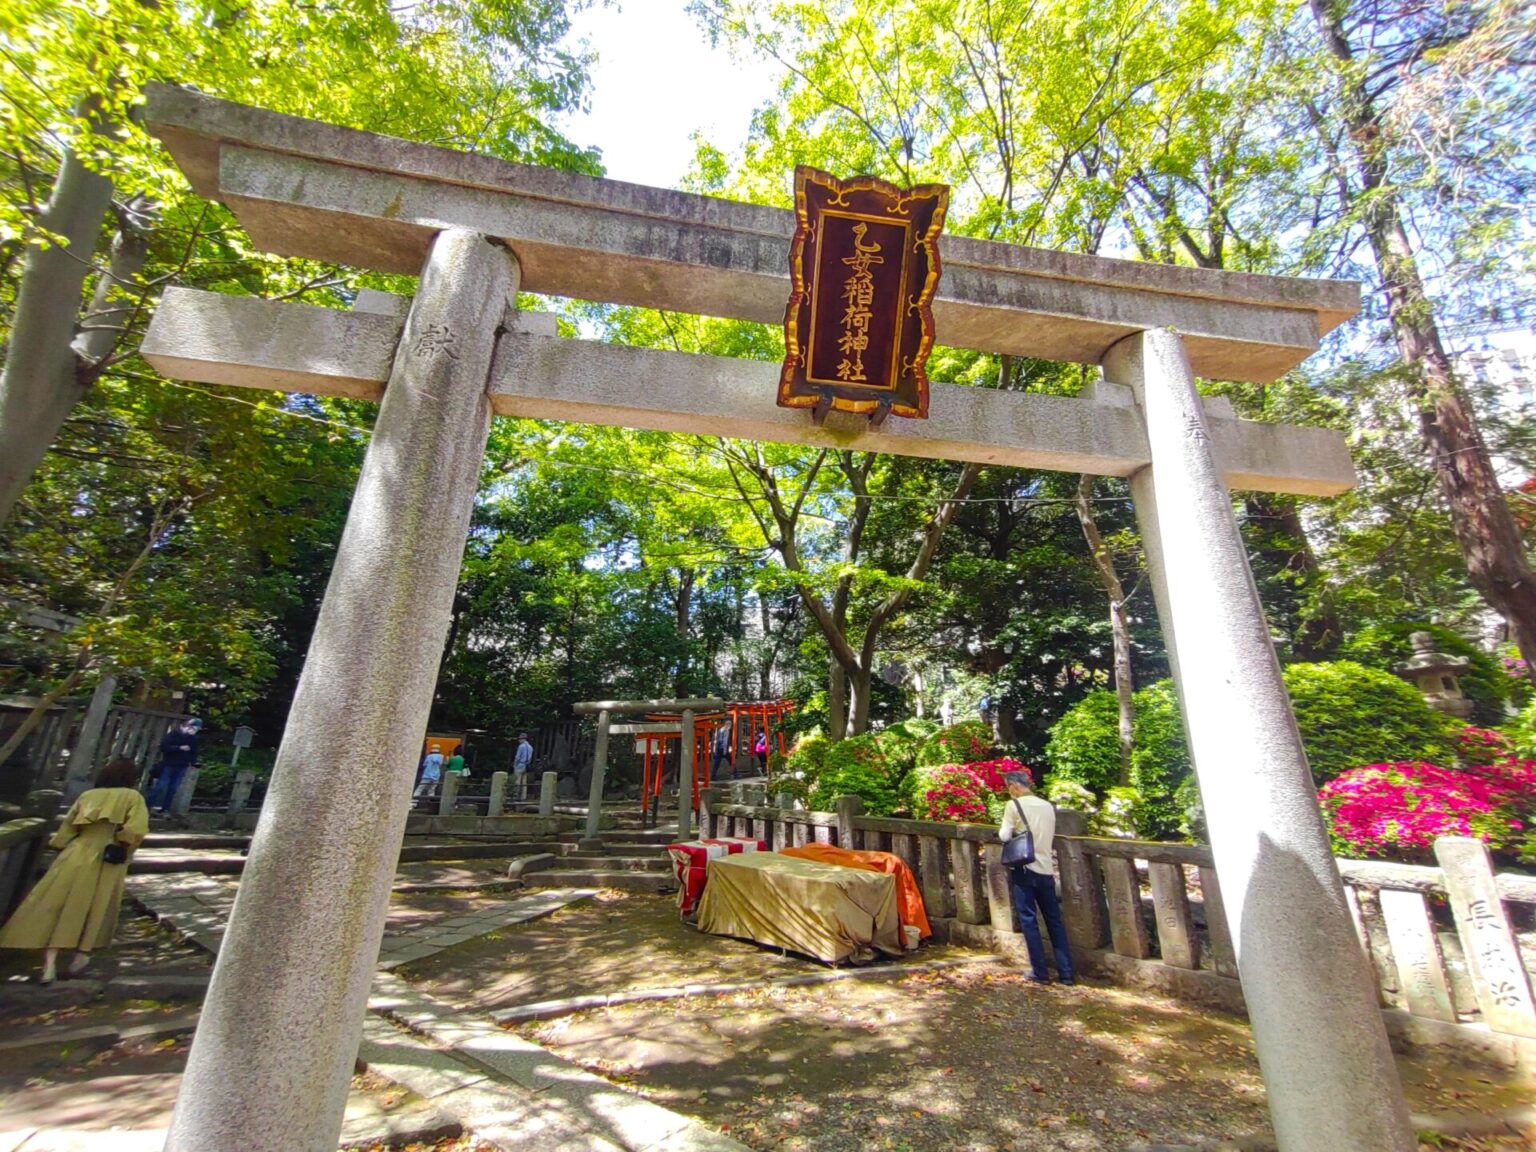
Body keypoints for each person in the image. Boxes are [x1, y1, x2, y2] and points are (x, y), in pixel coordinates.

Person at [0, 757, 149, 983]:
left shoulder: (88, 796)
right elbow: (135, 830)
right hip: (107, 856)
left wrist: (60, 845)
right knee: (95, 905)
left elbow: (67, 829)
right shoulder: (132, 797)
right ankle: (81, 955)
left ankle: (48, 964)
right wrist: (124, 845)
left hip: (76, 852)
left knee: (57, 903)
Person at [997, 768, 1075, 985]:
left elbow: (1004, 835)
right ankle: (1066, 972)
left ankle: (1040, 971)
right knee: (1054, 920)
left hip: (1025, 869)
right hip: (1047, 869)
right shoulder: (1047, 806)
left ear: (1014, 786)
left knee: (1029, 920)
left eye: (1008, 787)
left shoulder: (1014, 805)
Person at [147, 717, 202, 816]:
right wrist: (179, 748)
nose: (194, 731)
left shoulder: (193, 738)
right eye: (194, 728)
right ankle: (147, 806)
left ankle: (165, 809)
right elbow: (165, 747)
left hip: (182, 766)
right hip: (169, 764)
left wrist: (194, 762)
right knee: (160, 786)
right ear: (188, 726)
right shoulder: (174, 734)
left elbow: (193, 752)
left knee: (173, 789)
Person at [512, 733, 533, 801]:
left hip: (519, 765)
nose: (519, 740)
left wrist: (514, 764)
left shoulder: (521, 746)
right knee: (524, 782)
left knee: (517, 781)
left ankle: (516, 796)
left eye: (519, 739)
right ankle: (523, 797)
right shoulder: (530, 747)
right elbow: (530, 759)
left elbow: (517, 757)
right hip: (526, 765)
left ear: (522, 739)